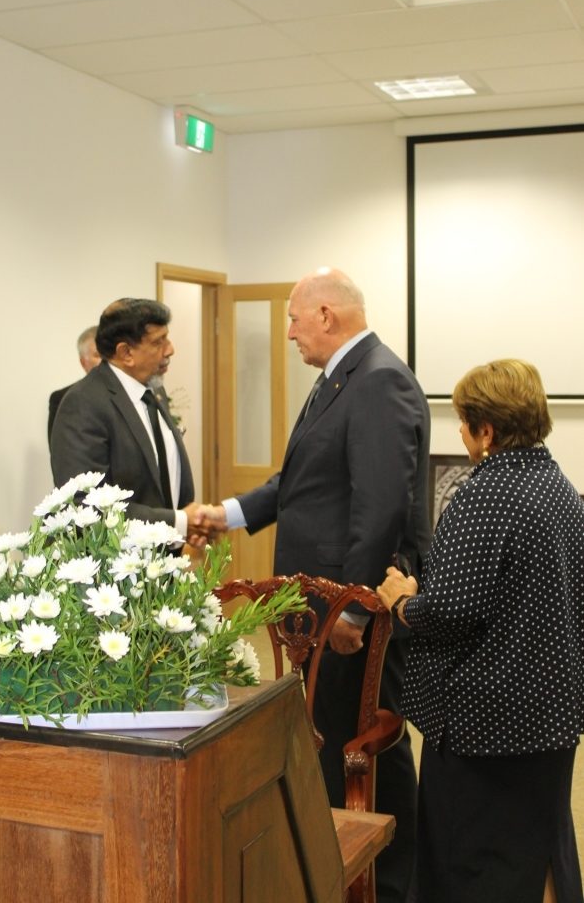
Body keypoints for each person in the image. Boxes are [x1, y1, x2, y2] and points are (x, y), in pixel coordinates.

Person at [199, 267, 431, 903]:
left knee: (365, 740)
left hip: (345, 611)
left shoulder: (379, 381)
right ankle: (337, 867)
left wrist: (354, 612)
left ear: (327, 316)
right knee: (330, 738)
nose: (291, 335)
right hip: (318, 606)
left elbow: (382, 508)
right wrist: (226, 515)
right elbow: (298, 482)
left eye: (295, 321)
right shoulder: (339, 379)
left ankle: (387, 878)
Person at [377, 359, 584, 903]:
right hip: (548, 713)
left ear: (486, 430)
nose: (462, 436)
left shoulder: (485, 494)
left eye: (463, 423)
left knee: (469, 863)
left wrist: (403, 601)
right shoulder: (558, 485)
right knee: (533, 847)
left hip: (483, 724)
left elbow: (452, 613)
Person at [50, 298, 209, 546]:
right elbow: (85, 504)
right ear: (126, 353)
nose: (170, 349)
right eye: (159, 342)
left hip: (164, 564)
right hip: (115, 575)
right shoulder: (83, 404)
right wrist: (177, 522)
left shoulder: (154, 392)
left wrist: (185, 527)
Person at [47, 325, 101, 447]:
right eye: (97, 355)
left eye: (108, 355)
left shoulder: (129, 395)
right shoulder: (62, 398)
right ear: (83, 362)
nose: (105, 361)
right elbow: (59, 451)